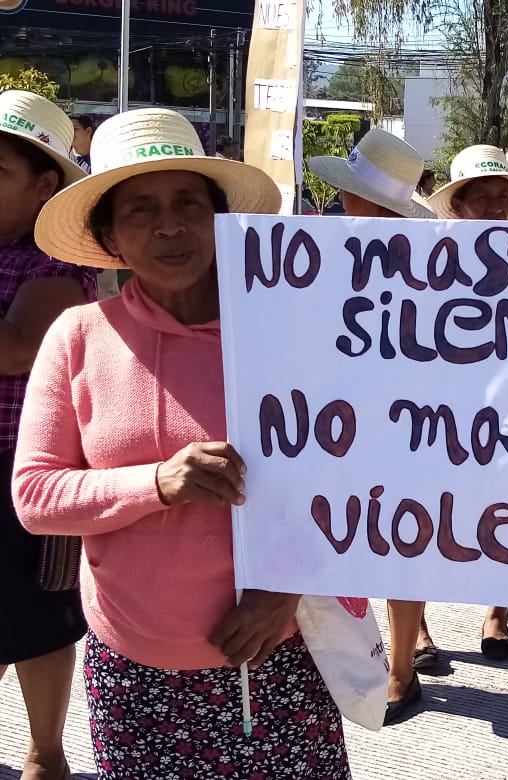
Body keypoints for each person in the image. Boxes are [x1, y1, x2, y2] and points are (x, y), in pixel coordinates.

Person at [15, 108, 353, 779]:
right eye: (140, 210)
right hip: (132, 675)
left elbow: (354, 483)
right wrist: (157, 483)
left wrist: (288, 588)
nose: (169, 226)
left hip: (275, 660)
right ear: (109, 236)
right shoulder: (77, 337)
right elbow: (36, 496)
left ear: (220, 217)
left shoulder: (293, 333)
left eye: (188, 203)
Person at [309, 129, 440, 727]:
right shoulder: (325, 251)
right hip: (349, 424)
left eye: (350, 191)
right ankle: (390, 660)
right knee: (364, 542)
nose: (343, 200)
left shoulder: (425, 264)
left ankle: (401, 669)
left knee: (399, 545)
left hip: (404, 425)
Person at [0, 89, 96, 780]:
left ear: (43, 188)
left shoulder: (52, 265)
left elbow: (15, 350)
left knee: (35, 621)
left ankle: (46, 753)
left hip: (22, 470)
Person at [427, 144, 508, 659]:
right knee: (423, 511)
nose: (497, 205)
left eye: (504, 195)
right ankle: (418, 629)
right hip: (435, 410)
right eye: (483, 198)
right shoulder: (424, 261)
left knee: (505, 510)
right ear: (457, 206)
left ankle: (498, 613)